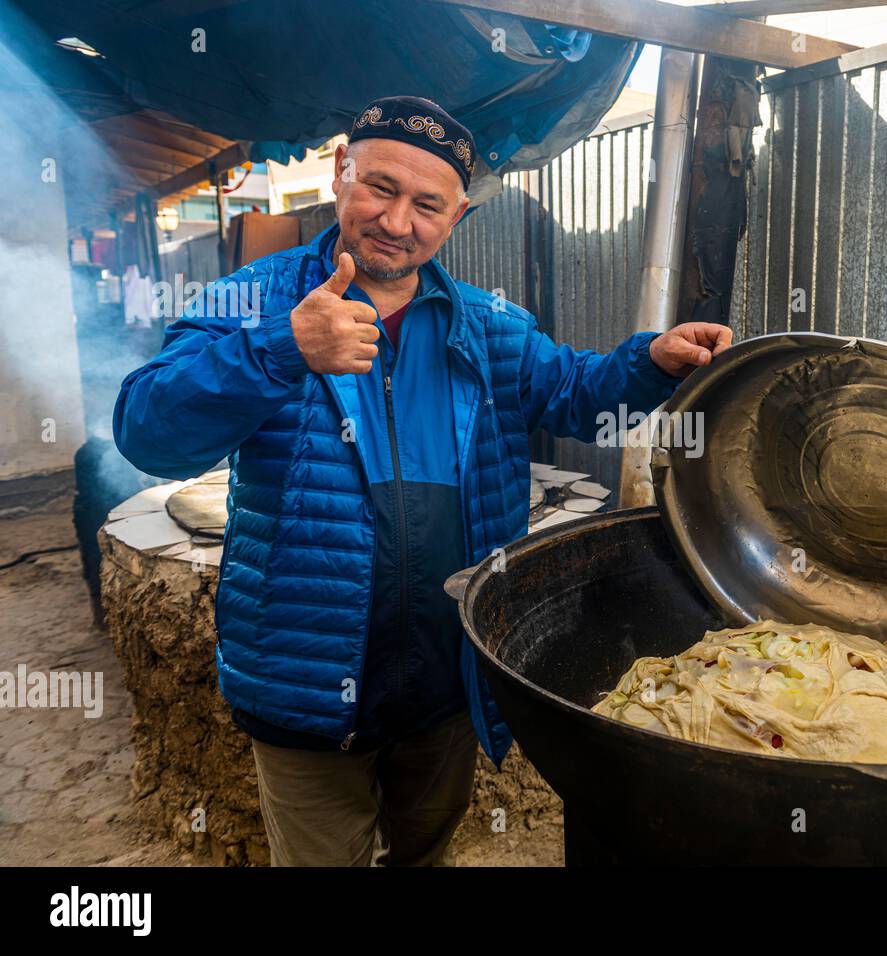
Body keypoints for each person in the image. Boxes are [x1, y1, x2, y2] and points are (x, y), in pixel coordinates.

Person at [114, 95, 732, 866]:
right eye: (379, 187)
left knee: (425, 853)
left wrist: (649, 362)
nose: (397, 221)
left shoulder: (490, 326)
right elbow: (147, 428)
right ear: (341, 173)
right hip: (308, 679)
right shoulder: (259, 300)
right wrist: (281, 349)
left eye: (426, 204)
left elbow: (574, 389)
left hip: (446, 679)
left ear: (458, 216)